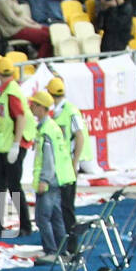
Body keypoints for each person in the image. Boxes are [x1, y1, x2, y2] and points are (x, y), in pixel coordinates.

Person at [0, 58, 35, 240]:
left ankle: (25, 225)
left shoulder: (11, 93)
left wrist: (16, 145)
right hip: (6, 144)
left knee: (14, 186)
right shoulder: (9, 90)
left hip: (13, 144)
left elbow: (21, 118)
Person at [28, 90, 73, 263]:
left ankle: (51, 251)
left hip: (49, 179)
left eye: (34, 105)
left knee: (42, 218)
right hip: (58, 178)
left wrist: (44, 180)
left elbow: (48, 158)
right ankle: (62, 251)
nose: (31, 107)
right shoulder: (53, 127)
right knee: (56, 217)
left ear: (41, 108)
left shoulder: (46, 130)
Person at [47, 77, 90, 236]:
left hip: (67, 165)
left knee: (66, 205)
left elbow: (80, 136)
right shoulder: (57, 112)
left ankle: (71, 242)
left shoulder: (70, 111)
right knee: (58, 205)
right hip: (58, 164)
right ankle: (62, 237)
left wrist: (74, 163)